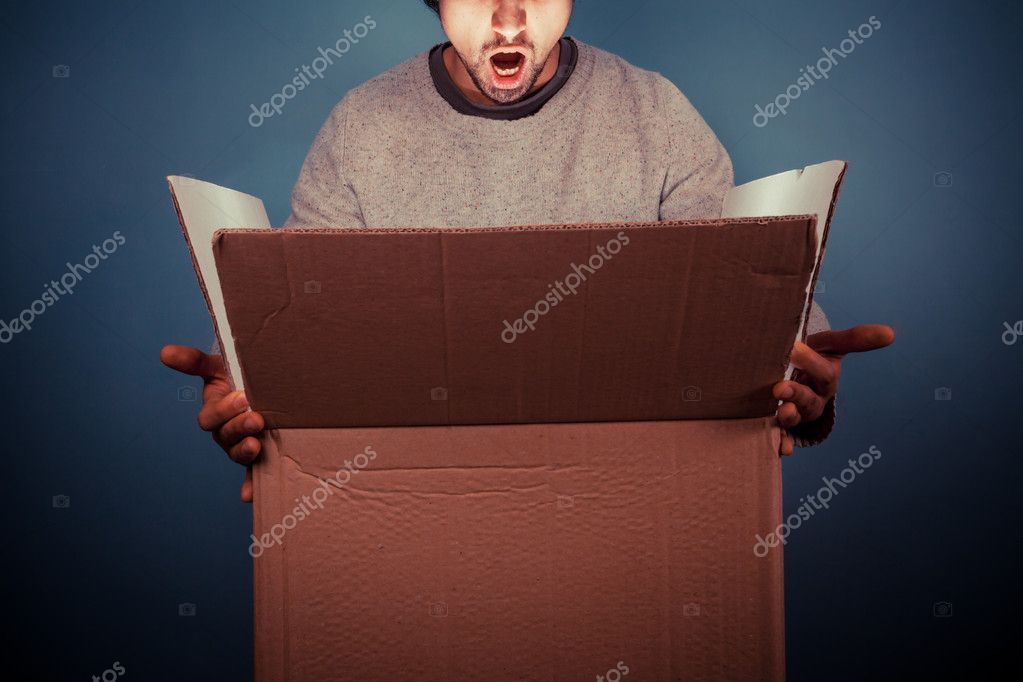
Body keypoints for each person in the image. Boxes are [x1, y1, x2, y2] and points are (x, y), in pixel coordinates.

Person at [162, 0, 894, 502]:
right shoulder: (362, 129)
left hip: (625, 508)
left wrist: (804, 390)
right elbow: (306, 334)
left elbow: (742, 310)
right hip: (422, 508)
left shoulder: (655, 115)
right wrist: (257, 395)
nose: (509, 19)